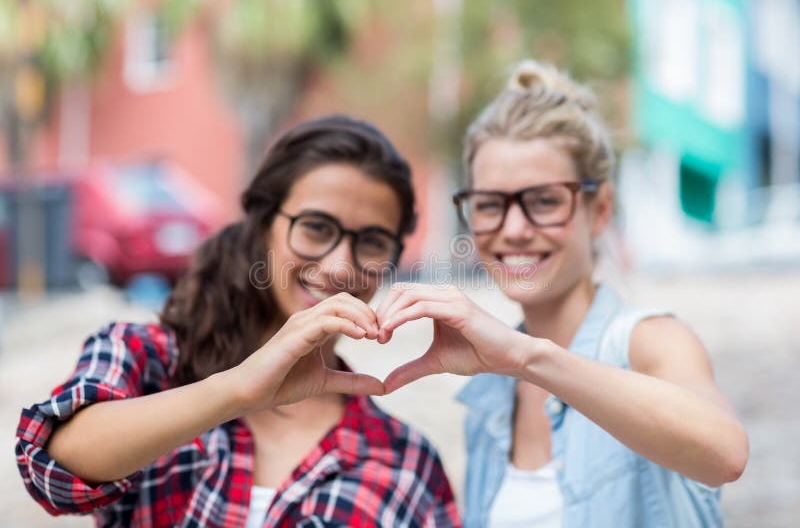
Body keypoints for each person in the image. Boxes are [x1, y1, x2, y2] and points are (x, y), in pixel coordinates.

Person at [16, 115, 460, 527]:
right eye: (316, 227)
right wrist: (237, 390)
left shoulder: (407, 463)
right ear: (264, 225)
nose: (340, 266)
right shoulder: (144, 357)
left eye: (373, 242)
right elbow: (51, 471)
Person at [375, 61, 748, 527]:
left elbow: (726, 453)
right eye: (489, 205)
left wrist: (526, 357)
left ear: (600, 210)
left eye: (544, 201)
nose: (514, 228)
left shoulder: (648, 342)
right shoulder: (491, 396)